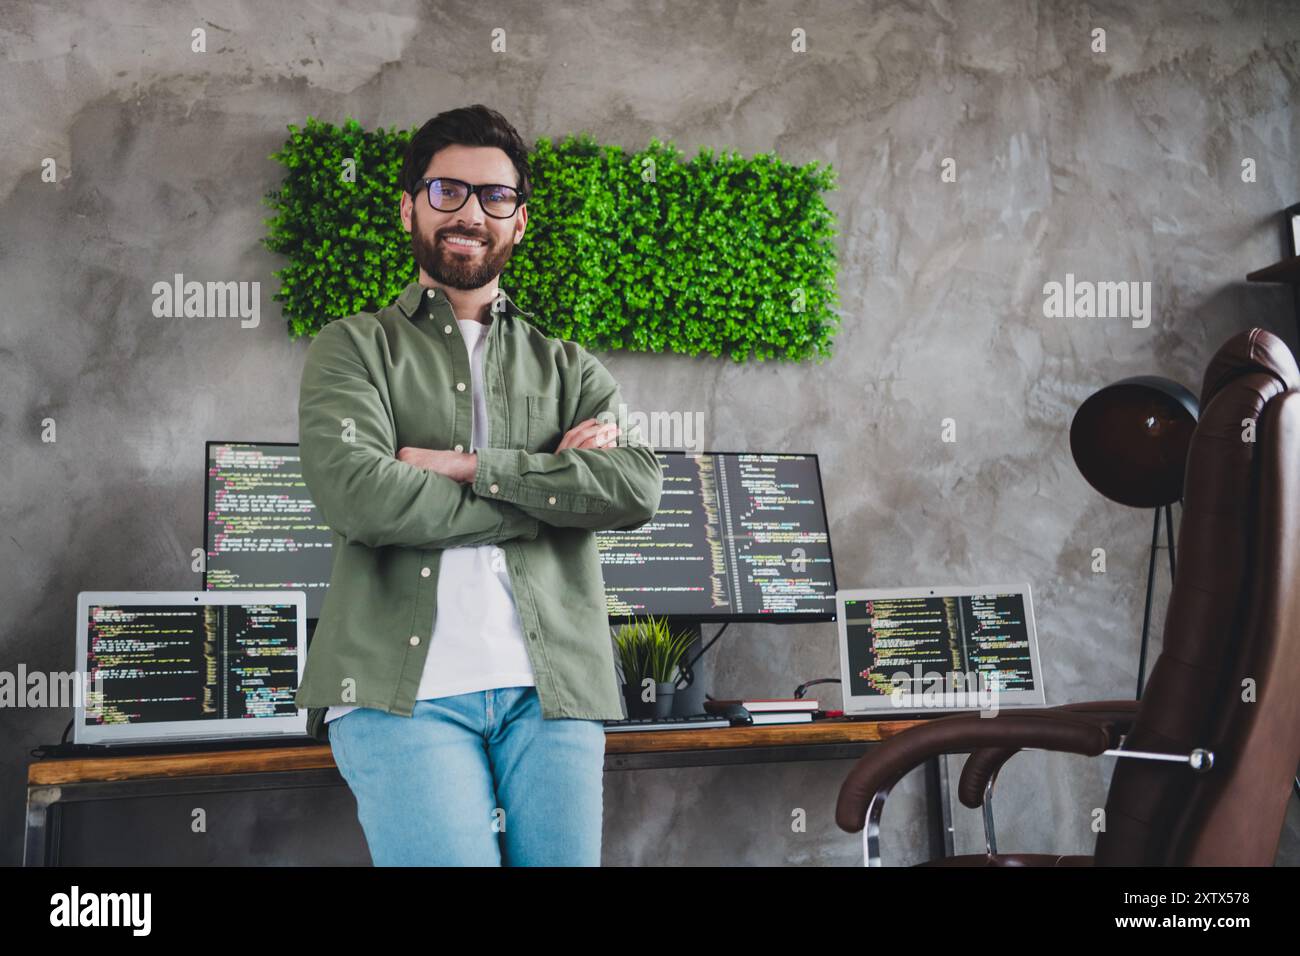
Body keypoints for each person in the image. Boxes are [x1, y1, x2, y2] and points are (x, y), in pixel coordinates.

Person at [294, 104, 664, 866]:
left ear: (519, 222)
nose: (470, 213)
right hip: (400, 698)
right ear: (410, 207)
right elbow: (359, 495)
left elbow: (633, 488)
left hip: (555, 694)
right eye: (447, 191)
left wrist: (469, 466)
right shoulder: (353, 349)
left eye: (494, 197)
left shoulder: (571, 367)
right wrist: (551, 496)